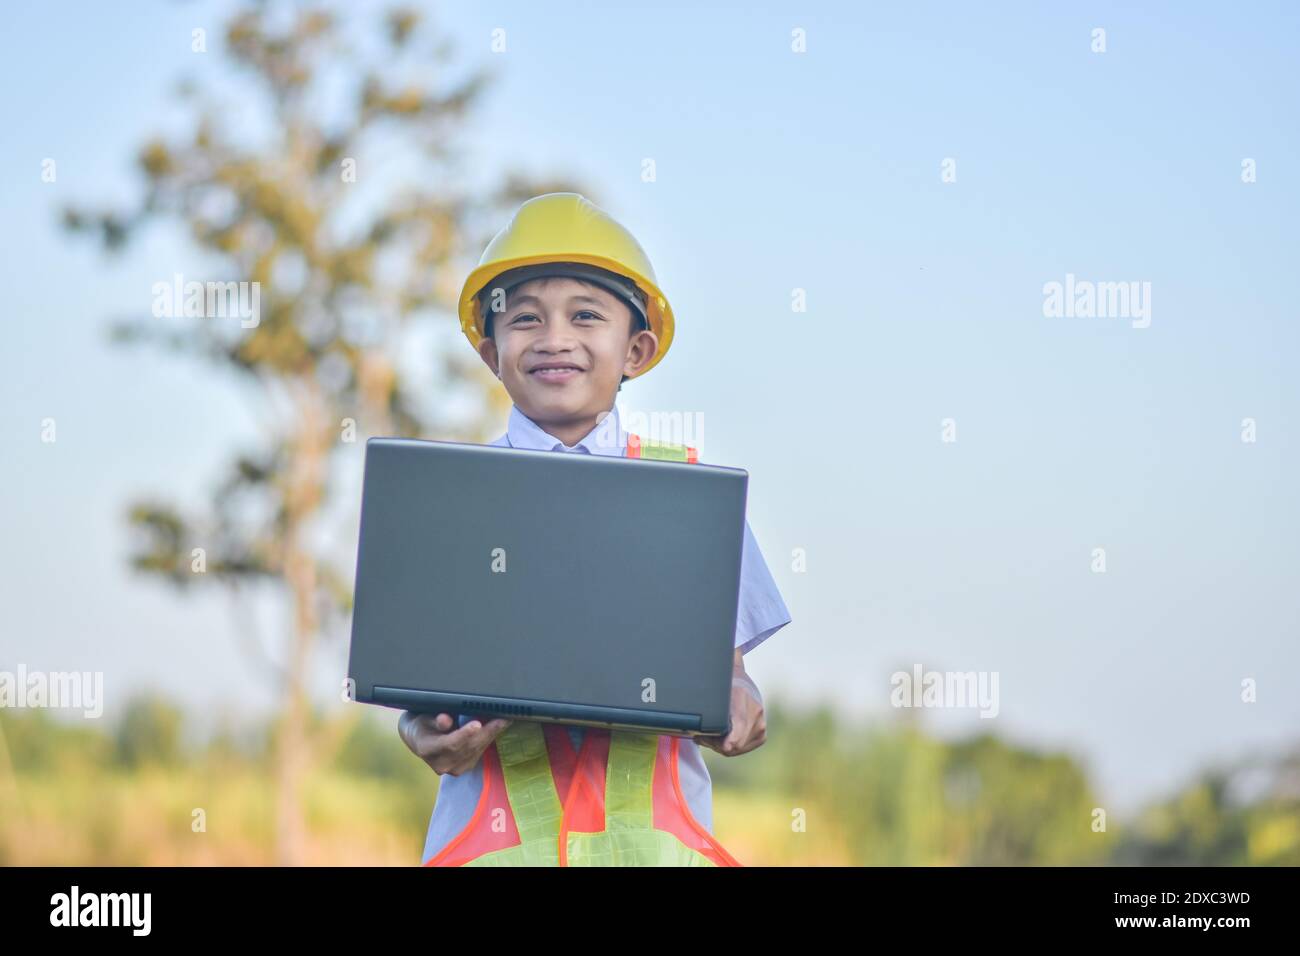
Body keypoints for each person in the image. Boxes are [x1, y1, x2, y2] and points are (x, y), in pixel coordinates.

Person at [399, 193, 791, 865]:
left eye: (585, 315)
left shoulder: (693, 500)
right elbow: (416, 692)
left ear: (636, 348)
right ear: (492, 352)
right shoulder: (451, 500)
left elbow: (734, 679)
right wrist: (421, 733)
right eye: (525, 319)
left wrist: (739, 706)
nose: (554, 338)